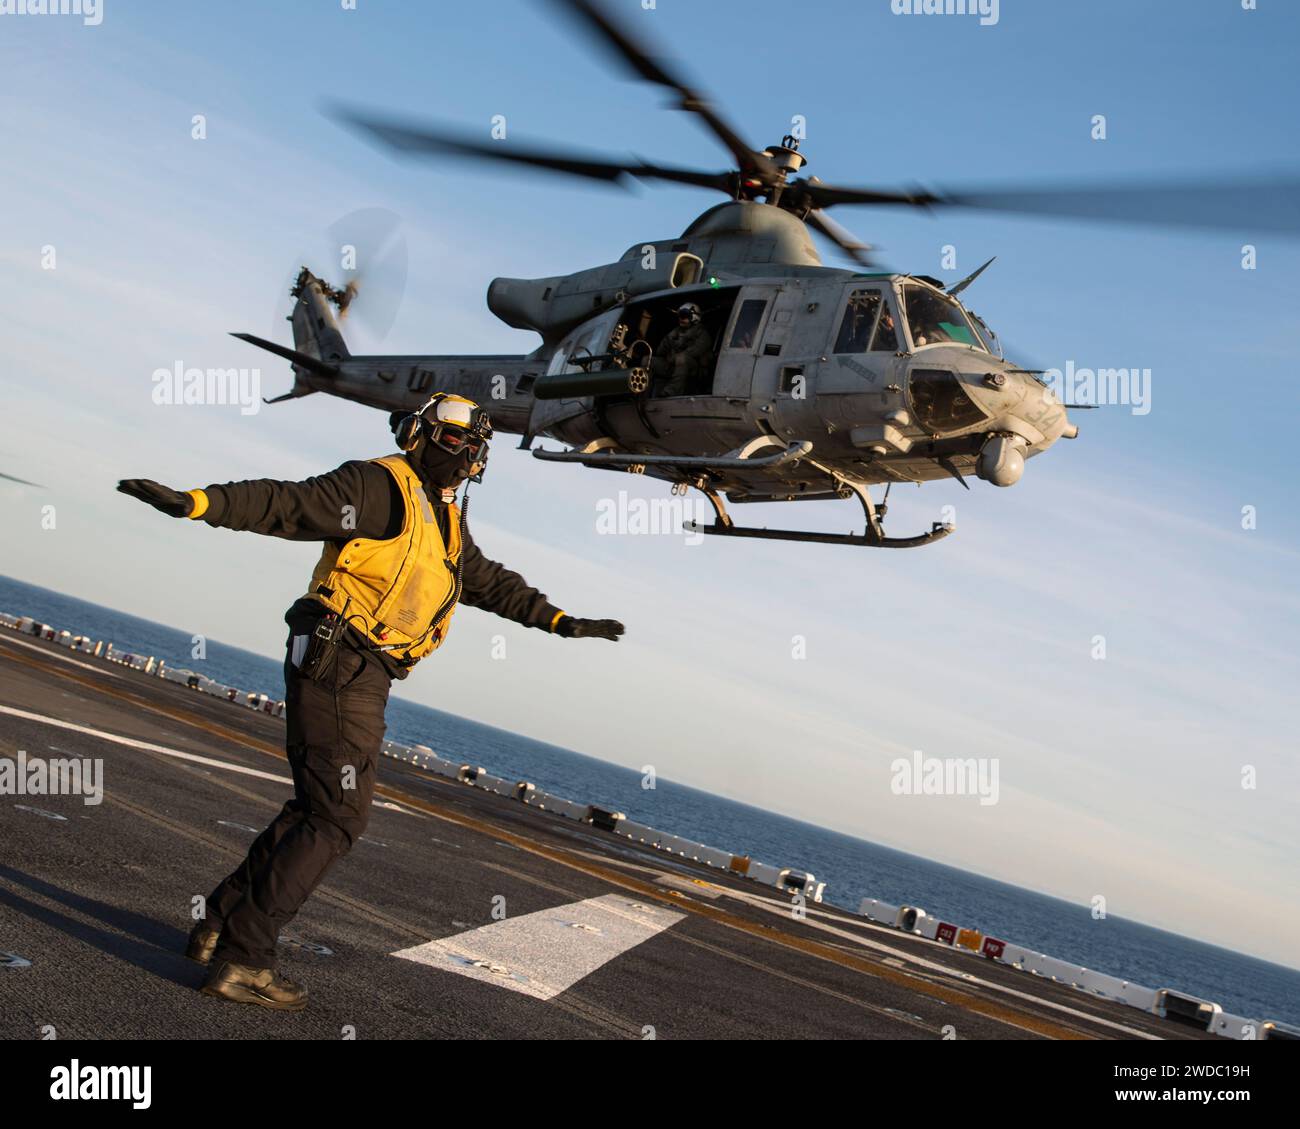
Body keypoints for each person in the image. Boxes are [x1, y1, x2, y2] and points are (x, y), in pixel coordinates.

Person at [117, 392, 624, 1012]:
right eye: (454, 439)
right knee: (335, 818)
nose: (464, 454)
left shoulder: (439, 516)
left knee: (316, 807)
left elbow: (484, 580)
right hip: (342, 660)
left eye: (473, 445)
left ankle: (220, 925)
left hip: (361, 669)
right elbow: (289, 504)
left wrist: (559, 619)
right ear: (420, 435)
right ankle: (244, 962)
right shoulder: (381, 486)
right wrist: (200, 503)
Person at [651, 302, 713, 396]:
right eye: (680, 316)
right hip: (675, 367)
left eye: (684, 316)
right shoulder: (675, 332)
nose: (681, 319)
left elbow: (694, 352)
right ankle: (643, 393)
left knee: (681, 358)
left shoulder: (702, 334)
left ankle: (672, 391)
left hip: (695, 370)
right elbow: (659, 352)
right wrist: (668, 340)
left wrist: (674, 356)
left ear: (694, 317)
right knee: (648, 361)